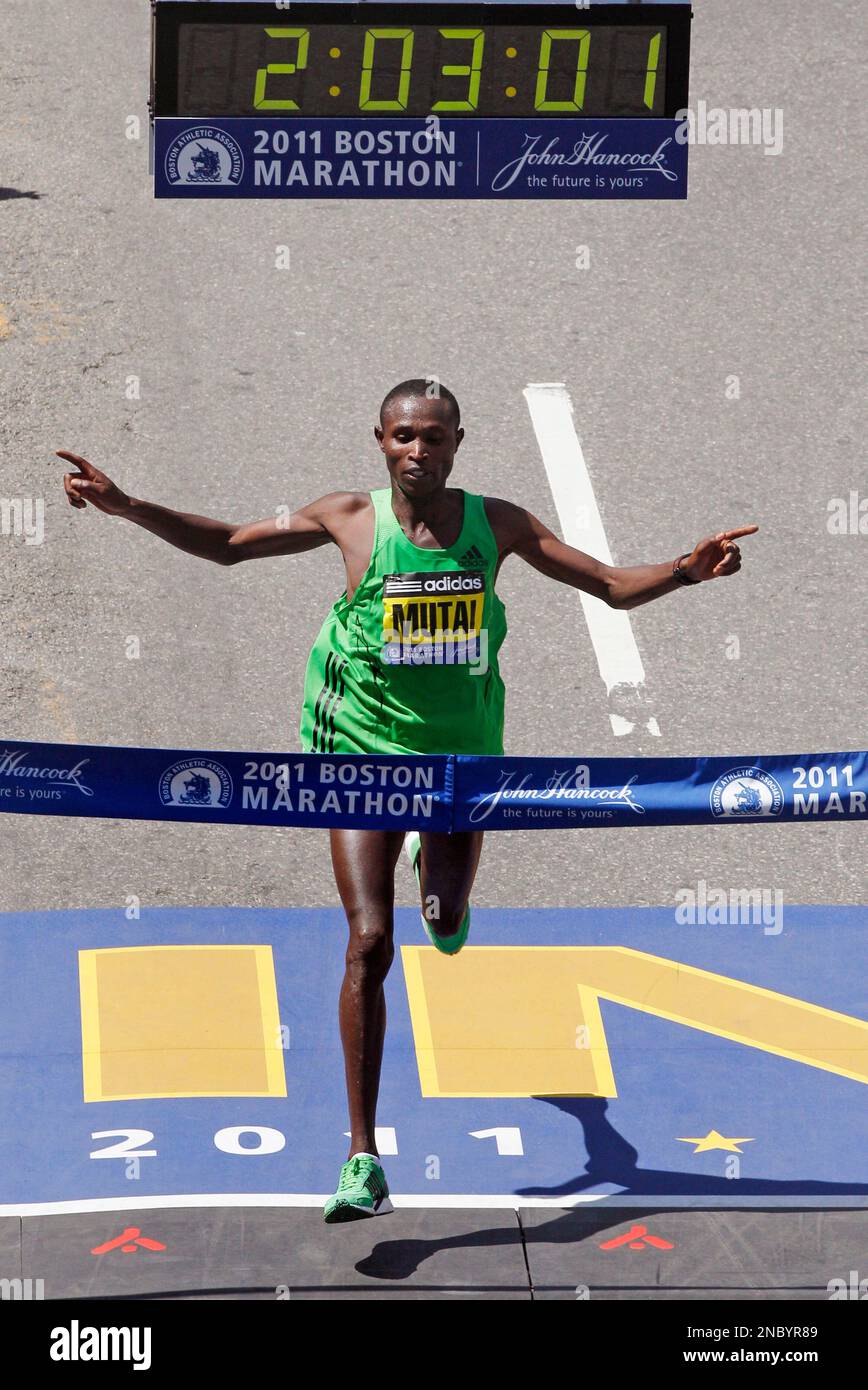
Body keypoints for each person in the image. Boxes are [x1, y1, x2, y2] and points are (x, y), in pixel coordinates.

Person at [57, 378, 757, 1223]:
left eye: (433, 437)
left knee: (445, 912)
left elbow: (607, 585)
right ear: (379, 441)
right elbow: (233, 543)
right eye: (401, 437)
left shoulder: (497, 525)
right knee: (368, 940)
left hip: (460, 764)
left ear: (459, 441)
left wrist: (686, 571)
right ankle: (361, 1156)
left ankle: (442, 873)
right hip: (361, 755)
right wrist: (127, 505)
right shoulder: (350, 519)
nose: (416, 452)